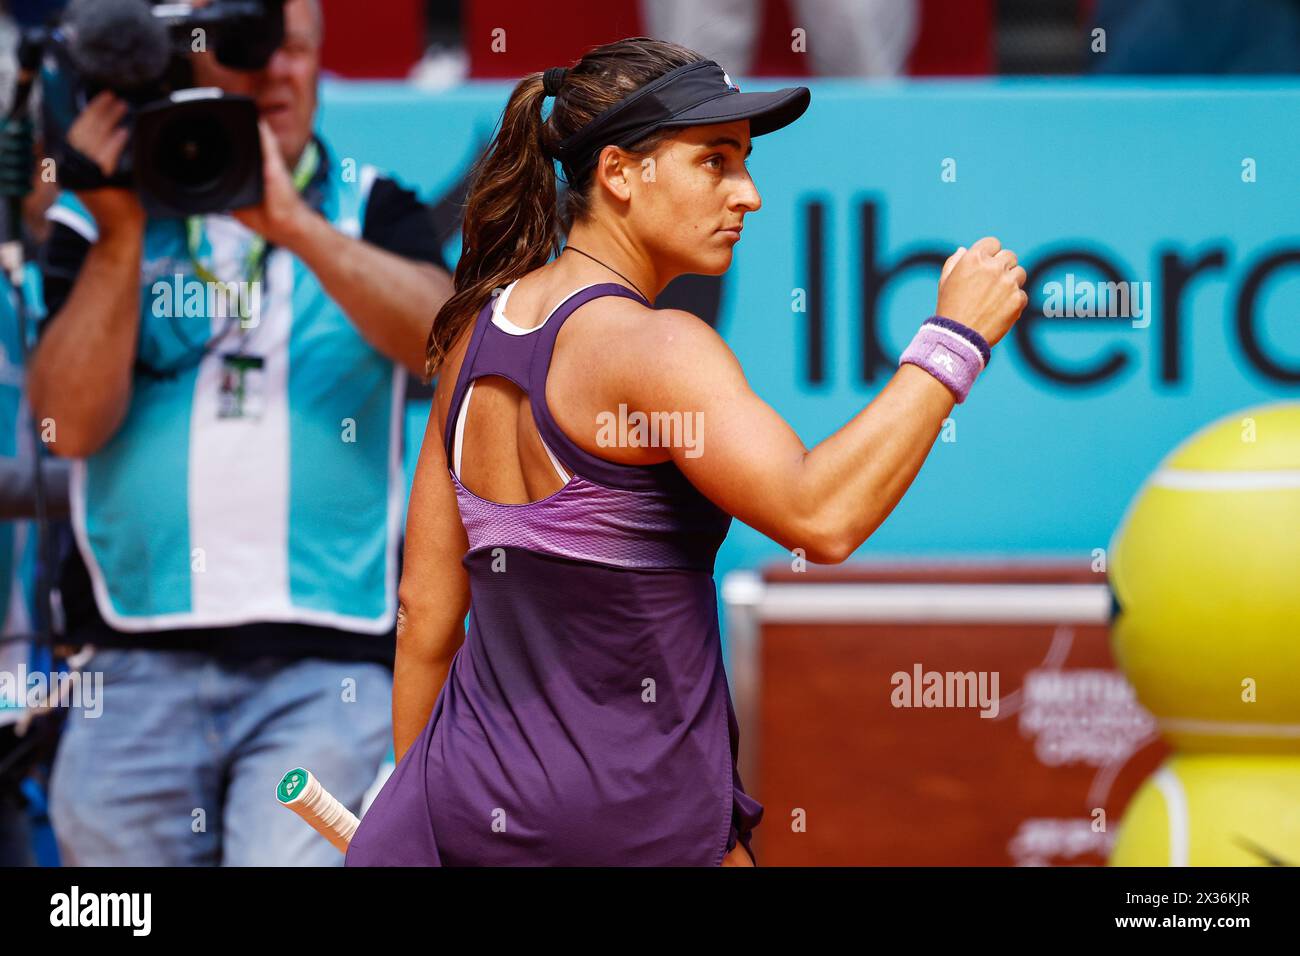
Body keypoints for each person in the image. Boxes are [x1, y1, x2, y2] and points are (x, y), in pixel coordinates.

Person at [346, 36, 1027, 867]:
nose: (749, 195)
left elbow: (424, 610)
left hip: (464, 809)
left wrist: (429, 808)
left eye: (743, 162)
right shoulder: (658, 349)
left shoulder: (470, 336)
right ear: (620, 175)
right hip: (636, 827)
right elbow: (822, 516)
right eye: (716, 162)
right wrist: (952, 341)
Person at [26, 0, 453, 865]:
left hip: (327, 667)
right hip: (130, 659)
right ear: (188, 60)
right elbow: (64, 427)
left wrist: (294, 225)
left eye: (296, 50)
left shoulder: (372, 207)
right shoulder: (108, 217)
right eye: (245, 48)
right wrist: (116, 236)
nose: (274, 72)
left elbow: (449, 348)